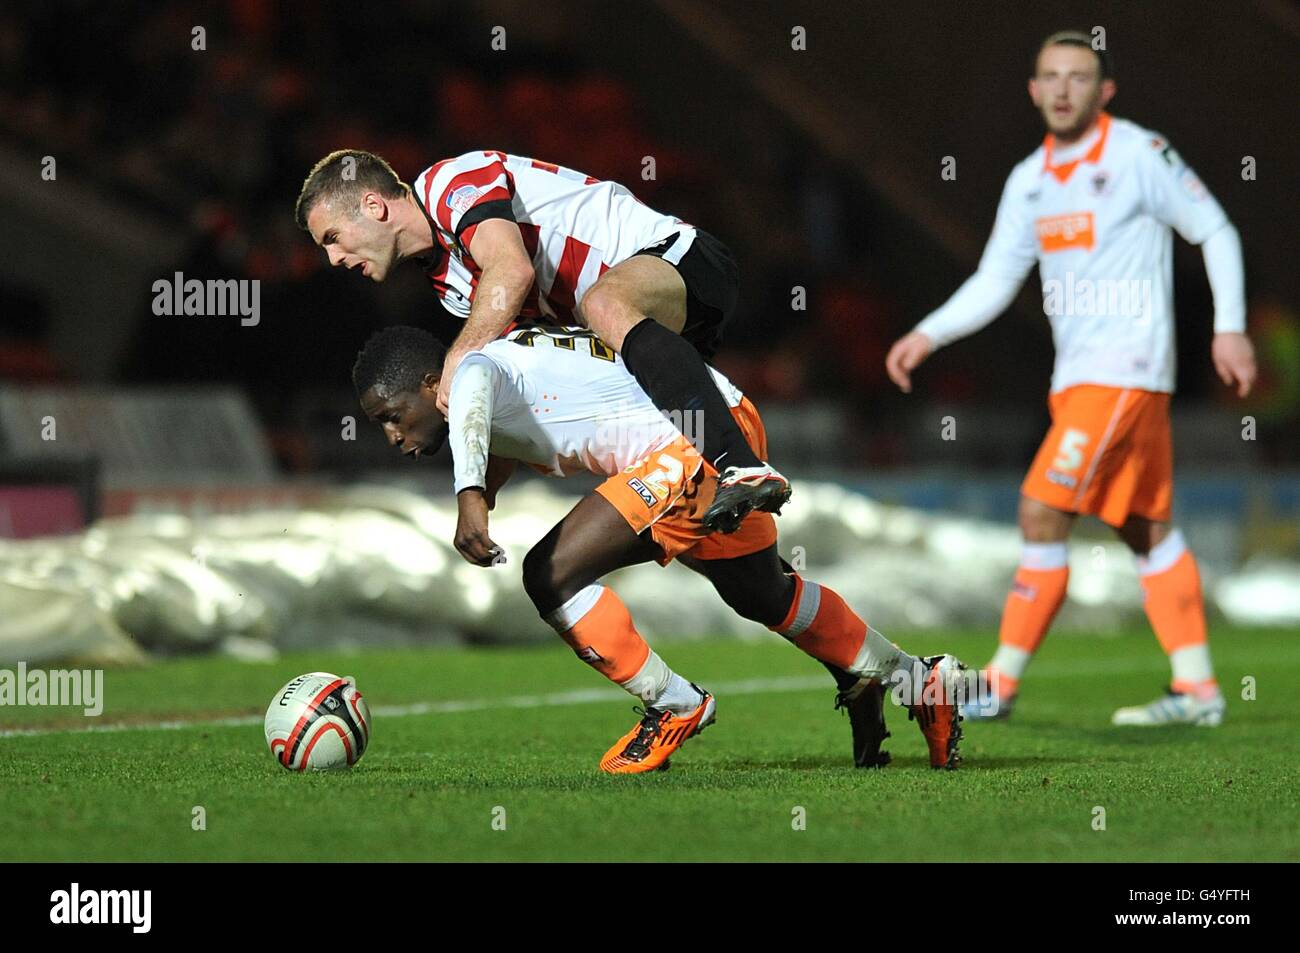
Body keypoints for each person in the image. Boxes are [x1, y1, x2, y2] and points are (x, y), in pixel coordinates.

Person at [353, 323, 967, 772]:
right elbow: (505, 432)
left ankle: (675, 704)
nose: (389, 435)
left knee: (550, 573)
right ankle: (918, 679)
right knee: (764, 594)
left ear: (434, 384)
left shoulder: (476, 370)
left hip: (689, 442)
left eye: (391, 414)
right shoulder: (503, 363)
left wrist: (468, 495)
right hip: (720, 420)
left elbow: (475, 399)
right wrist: (487, 489)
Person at [884, 31, 1257, 726]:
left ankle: (998, 680)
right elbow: (997, 277)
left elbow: (1216, 230)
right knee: (1145, 529)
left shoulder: (1140, 154)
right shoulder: (1029, 179)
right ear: (1033, 90)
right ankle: (1199, 690)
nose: (1062, 89)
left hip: (1128, 370)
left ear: (1104, 90)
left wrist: (1228, 326)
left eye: (1078, 77)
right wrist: (927, 332)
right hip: (1080, 380)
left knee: (1039, 510)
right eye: (1050, 77)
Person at [297, 148, 789, 533]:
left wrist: (460, 356)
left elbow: (511, 267)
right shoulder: (452, 289)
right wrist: (479, 498)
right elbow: (521, 380)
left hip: (681, 258)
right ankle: (850, 651)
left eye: (332, 238)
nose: (334, 259)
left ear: (373, 205)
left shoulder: (449, 183)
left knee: (602, 305)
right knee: (740, 572)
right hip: (646, 340)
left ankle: (742, 465)